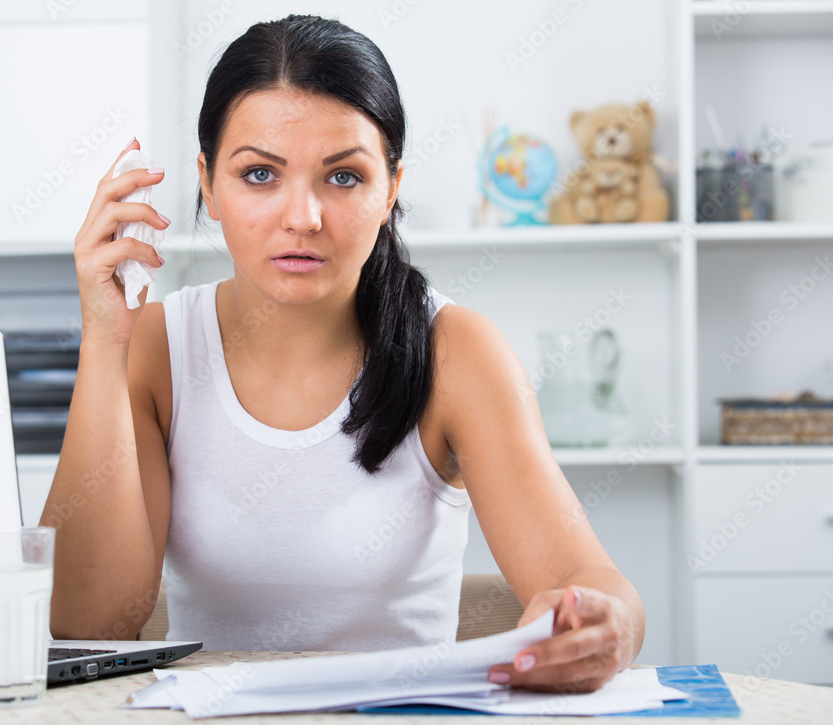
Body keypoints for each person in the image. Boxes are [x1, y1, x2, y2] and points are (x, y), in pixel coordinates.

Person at [40, 13, 645, 693]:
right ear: (207, 183)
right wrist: (104, 341)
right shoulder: (156, 347)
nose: (303, 217)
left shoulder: (457, 351)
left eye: (345, 177)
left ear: (391, 188)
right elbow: (87, 624)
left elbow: (591, 581)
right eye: (260, 173)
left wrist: (607, 622)